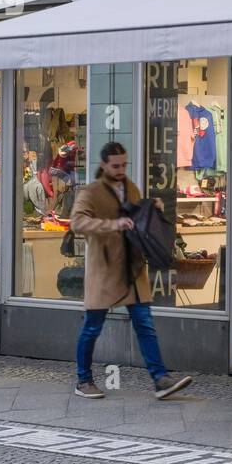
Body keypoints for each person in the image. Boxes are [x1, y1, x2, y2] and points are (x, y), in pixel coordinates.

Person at [69, 141, 192, 401]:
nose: (121, 169)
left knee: (145, 324)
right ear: (103, 165)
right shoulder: (91, 192)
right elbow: (77, 222)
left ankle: (160, 379)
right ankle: (83, 379)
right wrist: (113, 224)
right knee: (92, 327)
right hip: (105, 270)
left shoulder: (131, 187)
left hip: (133, 270)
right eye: (116, 165)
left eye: (124, 164)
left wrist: (150, 206)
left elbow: (134, 216)